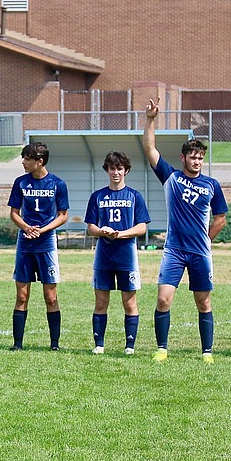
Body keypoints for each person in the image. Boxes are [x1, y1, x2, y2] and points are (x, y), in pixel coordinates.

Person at [143, 99, 228, 363]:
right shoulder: (171, 178)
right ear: (183, 158)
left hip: (200, 253)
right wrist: (150, 119)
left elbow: (221, 218)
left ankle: (207, 352)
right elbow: (149, 148)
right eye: (193, 156)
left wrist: (207, 240)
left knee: (203, 303)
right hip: (174, 251)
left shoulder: (212, 184)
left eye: (201, 157)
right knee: (163, 300)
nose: (197, 161)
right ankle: (162, 349)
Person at [84, 151, 150, 355]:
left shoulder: (134, 196)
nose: (116, 172)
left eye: (119, 168)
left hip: (127, 258)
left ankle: (129, 346)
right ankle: (99, 344)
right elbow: (90, 228)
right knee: (101, 301)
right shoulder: (98, 196)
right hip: (103, 257)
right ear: (107, 170)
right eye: (112, 168)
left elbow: (142, 228)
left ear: (126, 171)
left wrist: (120, 234)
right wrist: (103, 231)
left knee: (129, 301)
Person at [8, 141, 69, 351]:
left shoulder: (57, 184)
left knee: (50, 296)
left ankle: (54, 344)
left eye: (27, 159)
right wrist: (26, 227)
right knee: (22, 295)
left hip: (47, 244)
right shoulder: (21, 183)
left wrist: (43, 230)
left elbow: (63, 215)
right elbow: (14, 213)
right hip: (25, 245)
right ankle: (17, 344)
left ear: (39, 161)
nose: (24, 162)